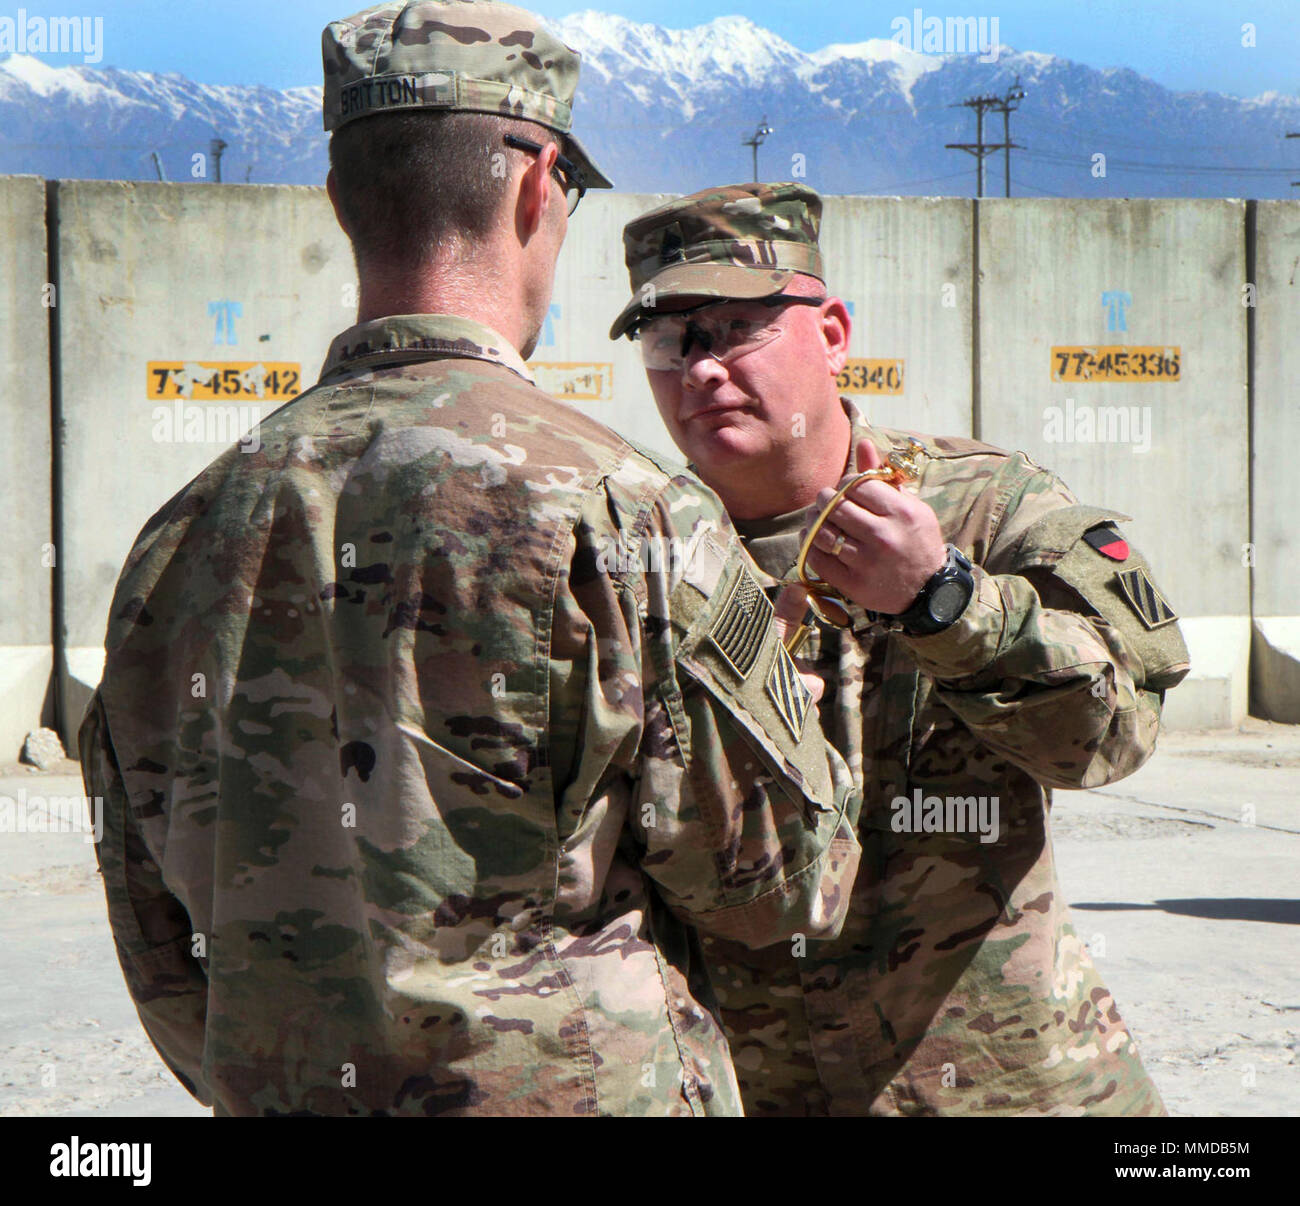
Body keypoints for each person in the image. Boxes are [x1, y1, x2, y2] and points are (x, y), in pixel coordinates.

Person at [78, 12, 860, 1118]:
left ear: (343, 200)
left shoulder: (184, 531)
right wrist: (802, 728)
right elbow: (784, 886)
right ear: (538, 187)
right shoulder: (624, 507)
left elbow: (150, 927)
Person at [610, 181, 1191, 1116]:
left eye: (737, 327)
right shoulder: (635, 549)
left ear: (833, 333)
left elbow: (1113, 736)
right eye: (671, 339)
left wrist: (943, 601)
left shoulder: (981, 505)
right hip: (753, 1086)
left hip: (1000, 1081)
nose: (703, 369)